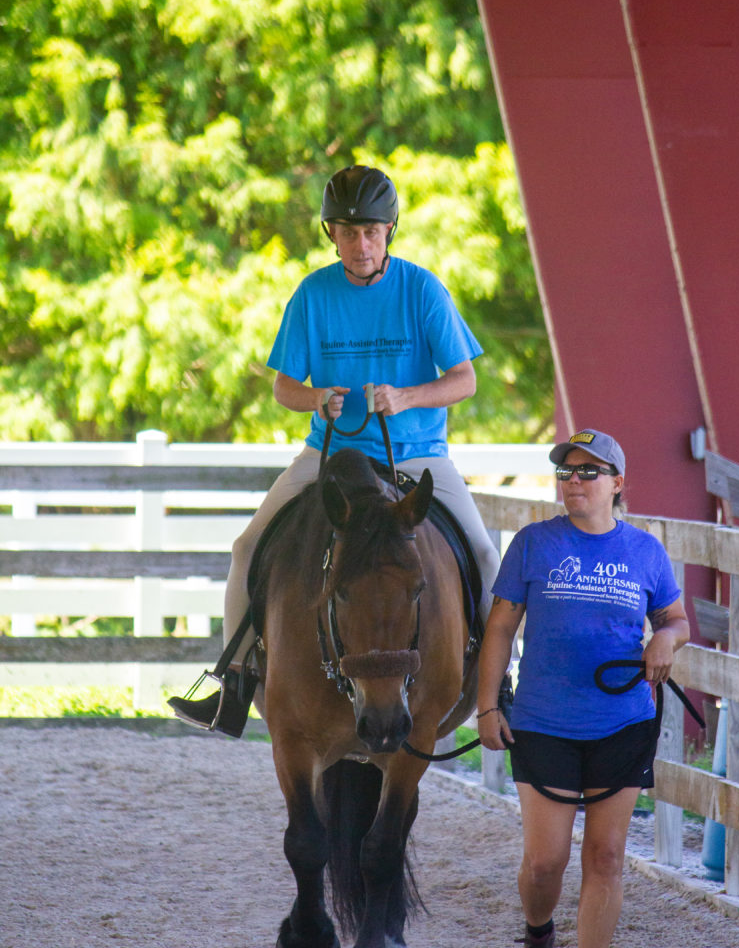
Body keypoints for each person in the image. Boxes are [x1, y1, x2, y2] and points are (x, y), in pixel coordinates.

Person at [170, 164, 500, 737]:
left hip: (416, 456)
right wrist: (314, 397)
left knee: (487, 557)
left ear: (391, 229)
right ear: (332, 235)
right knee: (247, 547)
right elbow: (282, 386)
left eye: (371, 231)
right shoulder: (312, 294)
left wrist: (407, 396)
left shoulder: (423, 290)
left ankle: (502, 691)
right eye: (348, 232)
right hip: (328, 456)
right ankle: (235, 683)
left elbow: (465, 379)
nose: (361, 243)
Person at [476, 428, 690, 948]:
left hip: (622, 723)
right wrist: (488, 706)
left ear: (617, 483)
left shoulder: (645, 551)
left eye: (588, 472)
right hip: (544, 722)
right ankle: (539, 938)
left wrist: (664, 642)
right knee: (545, 862)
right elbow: (499, 629)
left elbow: (675, 619)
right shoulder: (533, 544)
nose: (574, 482)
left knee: (608, 856)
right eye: (566, 473)